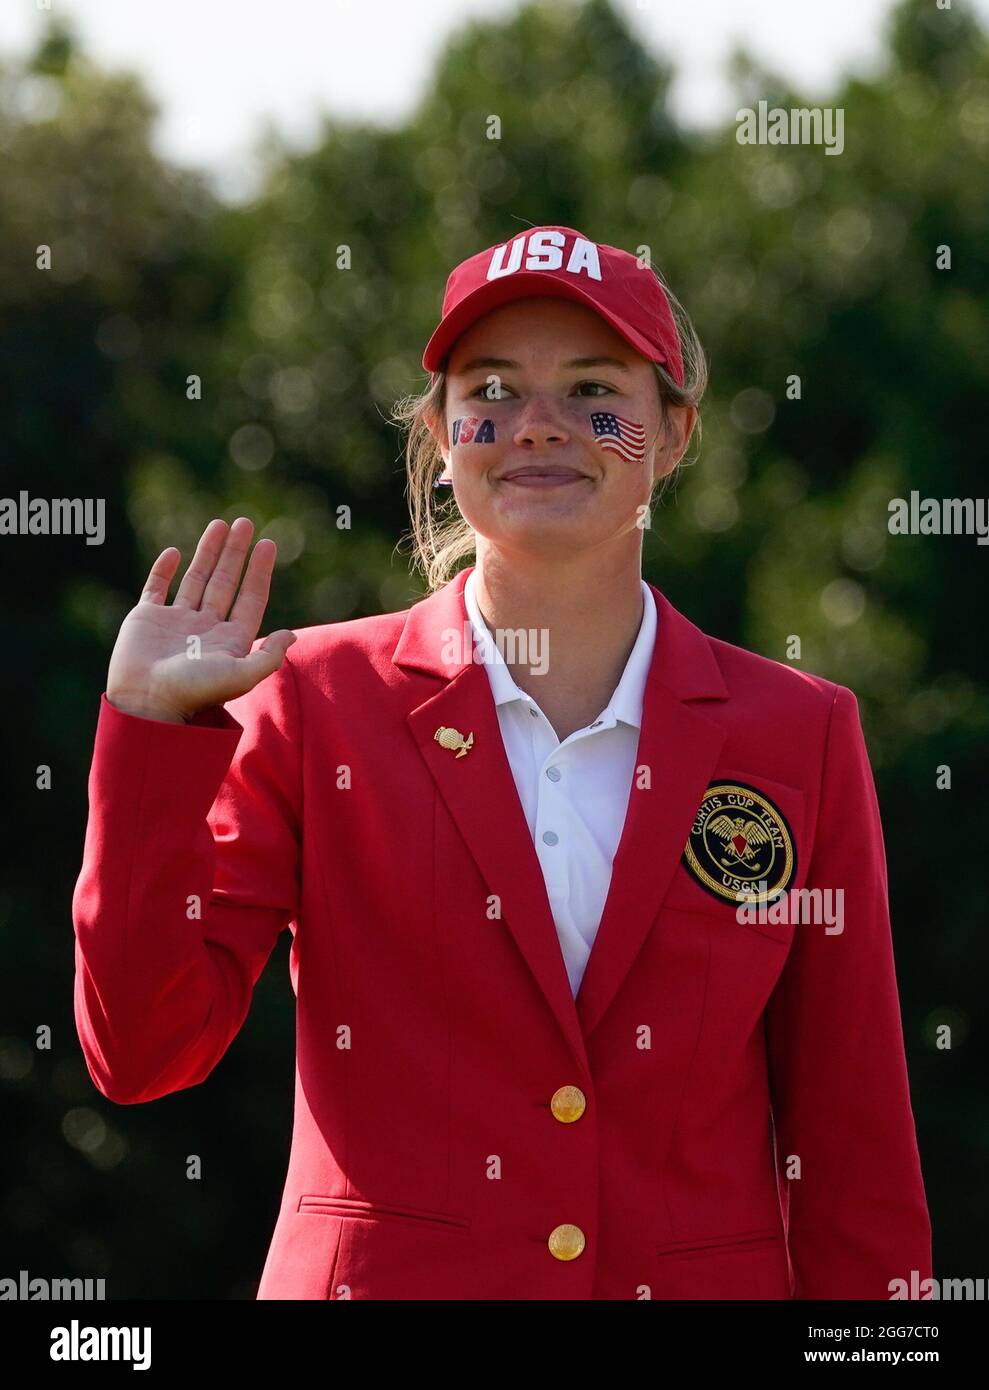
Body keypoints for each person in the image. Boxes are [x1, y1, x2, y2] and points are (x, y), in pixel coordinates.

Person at [72, 224, 932, 1300]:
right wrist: (148, 735)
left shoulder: (797, 729)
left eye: (589, 391)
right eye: (491, 390)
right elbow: (144, 1052)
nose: (536, 426)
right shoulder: (310, 699)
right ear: (439, 436)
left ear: (672, 435)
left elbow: (851, 1137)